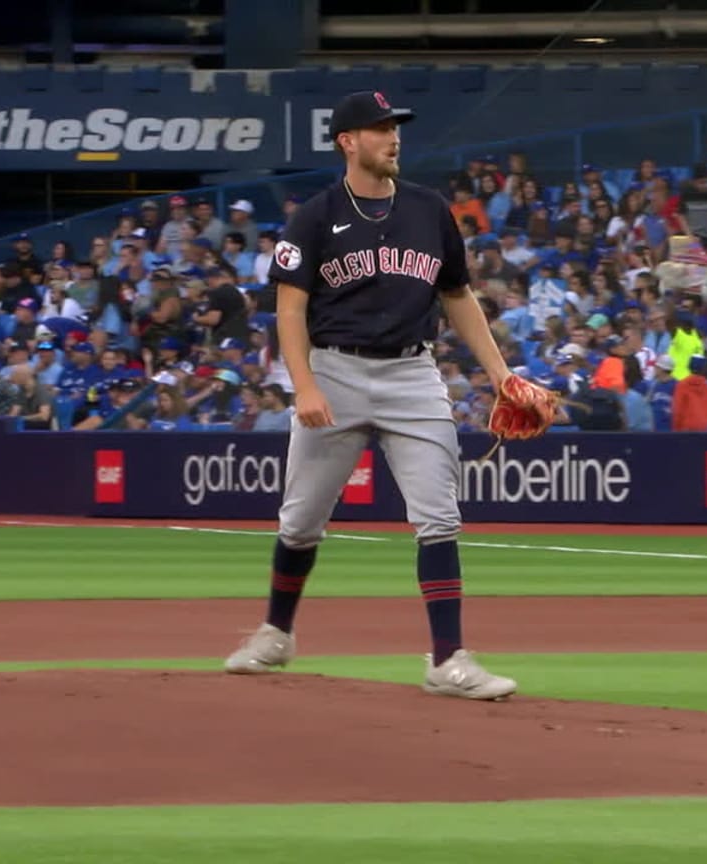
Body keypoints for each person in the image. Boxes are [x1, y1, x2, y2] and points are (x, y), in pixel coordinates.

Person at [222, 90, 519, 700]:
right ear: (348, 142)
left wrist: (501, 375)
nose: (394, 137)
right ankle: (276, 632)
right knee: (301, 521)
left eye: (396, 127)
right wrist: (302, 385)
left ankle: (447, 659)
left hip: (413, 375)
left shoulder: (429, 209)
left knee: (439, 517)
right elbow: (290, 307)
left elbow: (458, 296)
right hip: (334, 372)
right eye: (380, 128)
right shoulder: (315, 215)